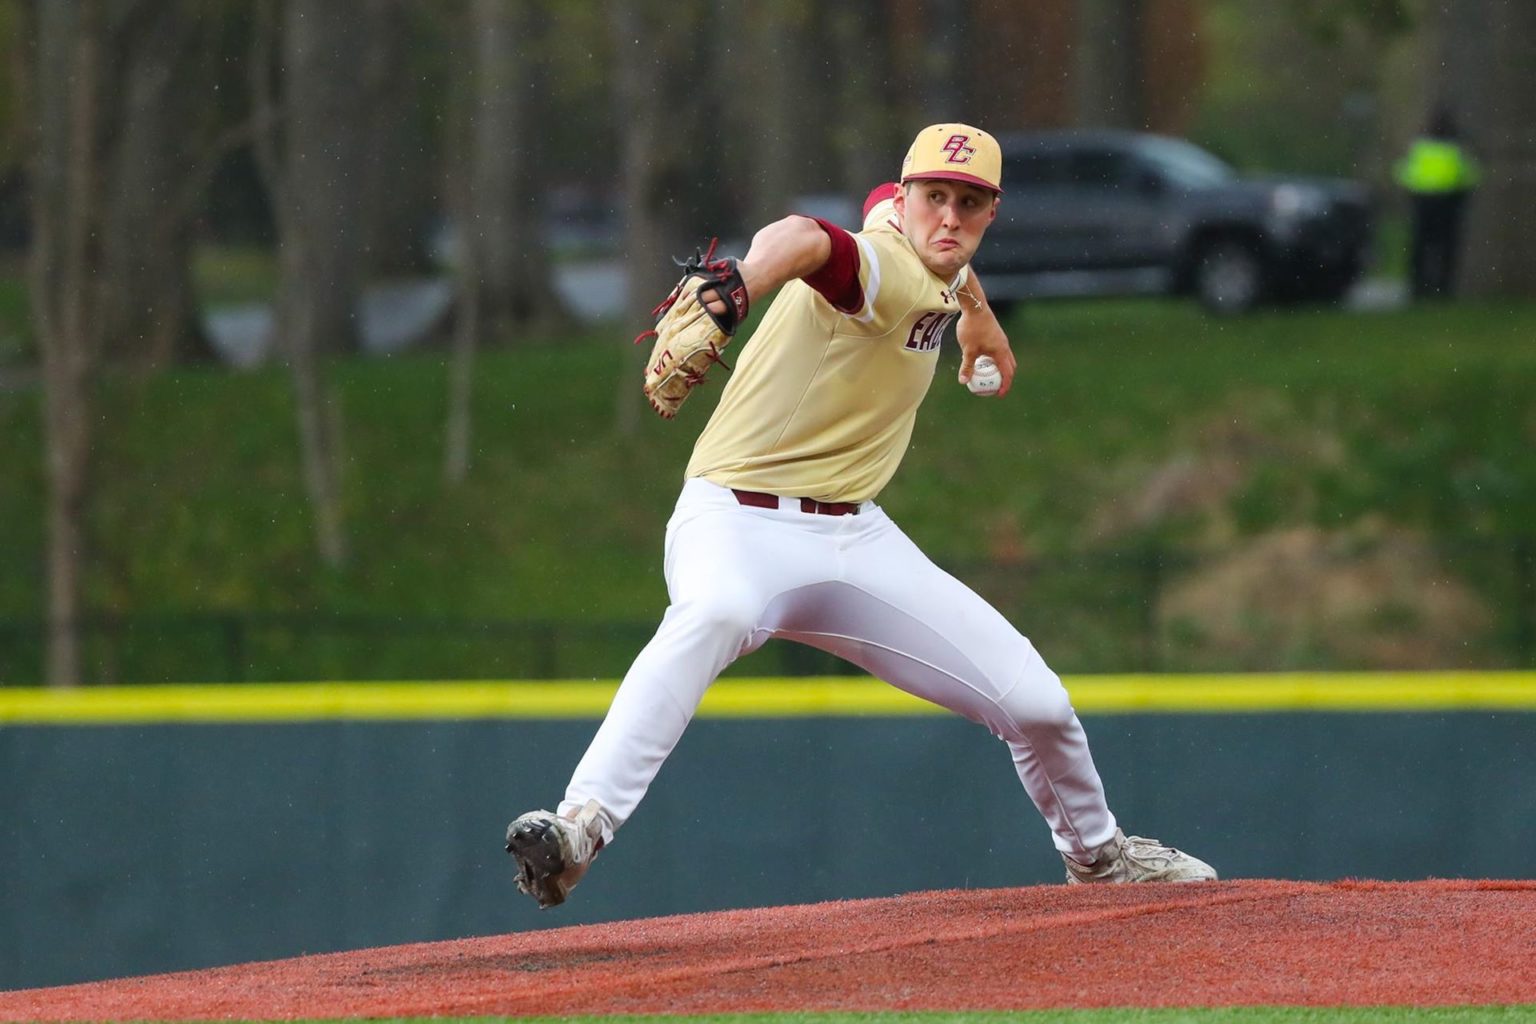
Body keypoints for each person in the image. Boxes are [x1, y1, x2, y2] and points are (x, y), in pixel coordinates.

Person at [505, 123, 1216, 910]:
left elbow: (918, 237)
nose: (948, 218)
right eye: (933, 198)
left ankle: (1099, 857)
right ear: (907, 200)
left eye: (969, 203)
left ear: (990, 215)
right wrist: (739, 282)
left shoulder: (905, 228)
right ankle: (578, 830)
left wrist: (977, 313)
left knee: (1039, 706)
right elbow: (808, 237)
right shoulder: (881, 265)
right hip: (734, 523)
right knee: (716, 612)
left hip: (854, 537)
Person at [1395, 106, 1481, 300]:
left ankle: (1419, 288)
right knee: (1446, 249)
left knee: (1421, 248)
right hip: (1448, 204)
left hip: (1423, 204)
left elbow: (1403, 173)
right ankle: (1442, 289)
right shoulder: (1456, 148)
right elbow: (1470, 175)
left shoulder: (1420, 147)